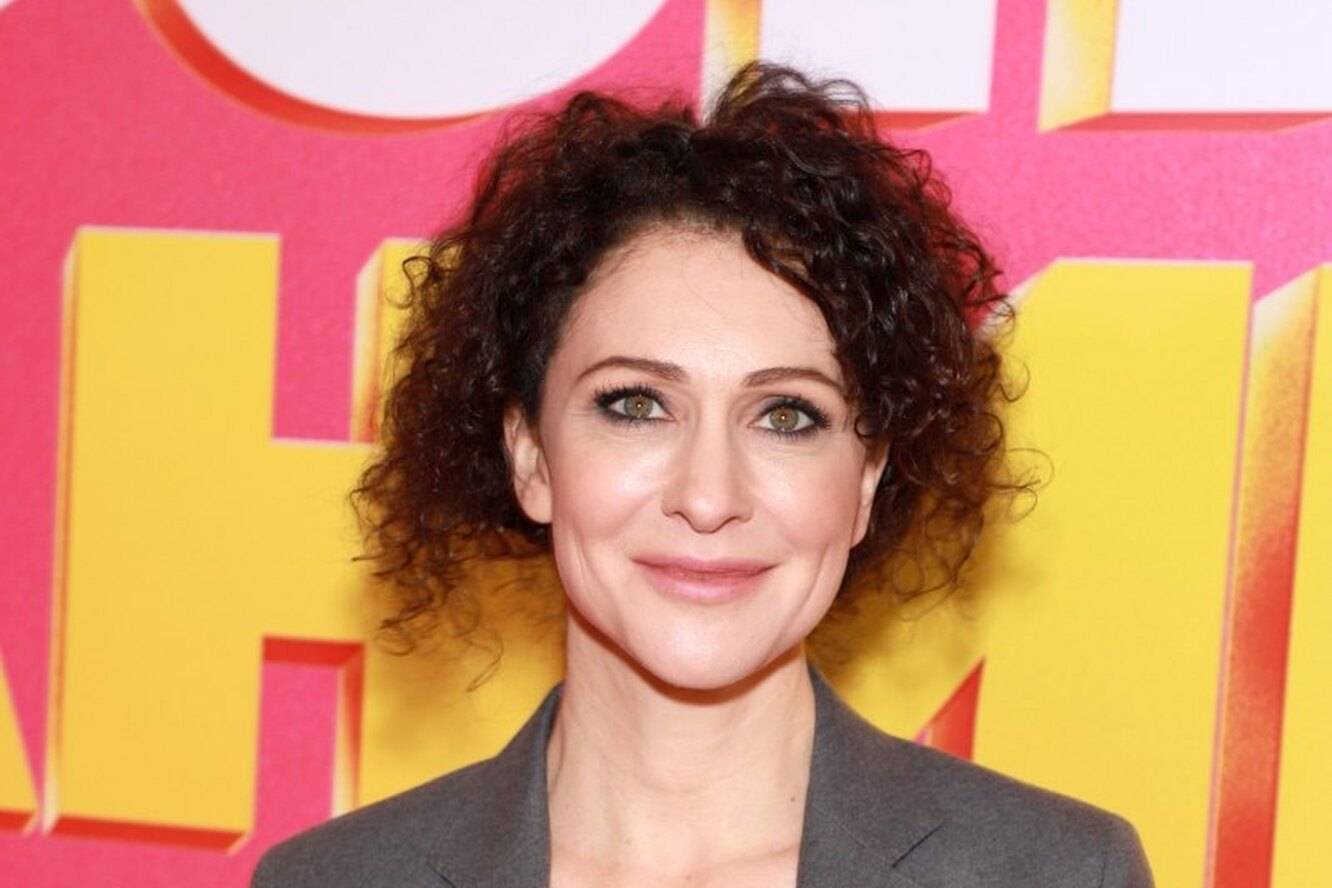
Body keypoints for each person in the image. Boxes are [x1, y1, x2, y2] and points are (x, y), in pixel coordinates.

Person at [252, 63, 1154, 887]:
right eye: (636, 404)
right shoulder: (329, 881)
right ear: (530, 457)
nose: (710, 497)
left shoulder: (1059, 873)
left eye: (787, 416)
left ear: (866, 480)